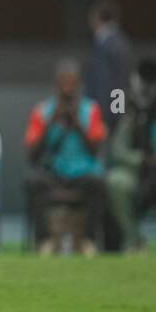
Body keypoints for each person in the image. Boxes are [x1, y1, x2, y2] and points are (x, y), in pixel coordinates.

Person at [25, 58, 108, 255]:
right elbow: (33, 155)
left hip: (82, 173)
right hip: (54, 172)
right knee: (33, 182)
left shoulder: (92, 110)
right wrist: (52, 122)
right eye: (64, 84)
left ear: (79, 85)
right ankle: (44, 241)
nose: (68, 89)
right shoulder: (42, 111)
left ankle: (88, 240)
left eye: (72, 84)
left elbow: (96, 150)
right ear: (56, 85)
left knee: (98, 183)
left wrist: (79, 124)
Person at [104, 58, 156, 252]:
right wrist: (141, 160)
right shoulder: (121, 98)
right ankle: (134, 241)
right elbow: (117, 148)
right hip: (138, 168)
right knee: (116, 181)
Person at [84, 0, 132, 133]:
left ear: (96, 18)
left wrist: (111, 115)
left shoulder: (110, 45)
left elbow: (110, 83)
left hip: (106, 114)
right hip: (109, 111)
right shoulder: (117, 42)